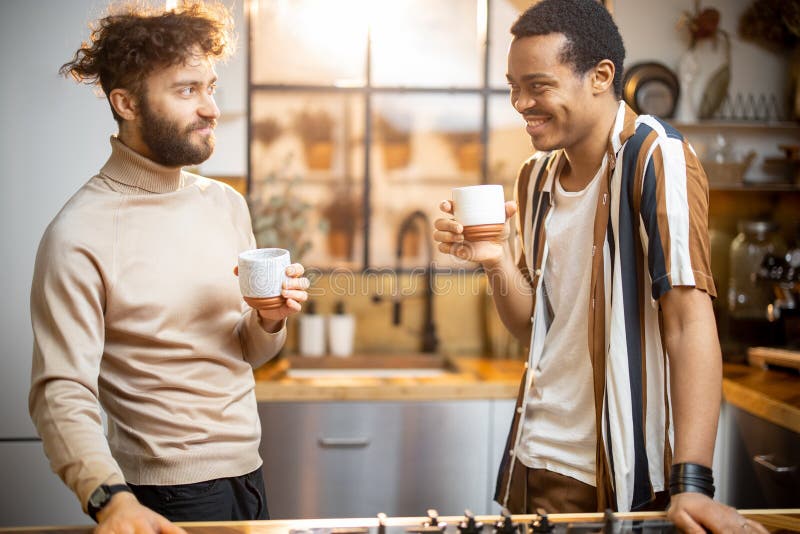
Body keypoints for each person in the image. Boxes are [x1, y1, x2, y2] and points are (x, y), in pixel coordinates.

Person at [434, 1, 767, 532]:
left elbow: (687, 323)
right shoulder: (534, 178)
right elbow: (530, 326)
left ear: (601, 76)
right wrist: (494, 258)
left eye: (538, 86)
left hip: (620, 474)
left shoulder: (656, 157)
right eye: (513, 85)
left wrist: (693, 484)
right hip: (531, 459)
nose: (521, 103)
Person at [28, 1, 309, 532]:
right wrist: (110, 499)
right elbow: (59, 390)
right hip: (164, 494)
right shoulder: (80, 232)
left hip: (249, 475)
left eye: (210, 87)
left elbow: (246, 352)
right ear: (126, 103)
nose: (211, 109)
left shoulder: (225, 203)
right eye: (186, 90)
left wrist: (269, 318)